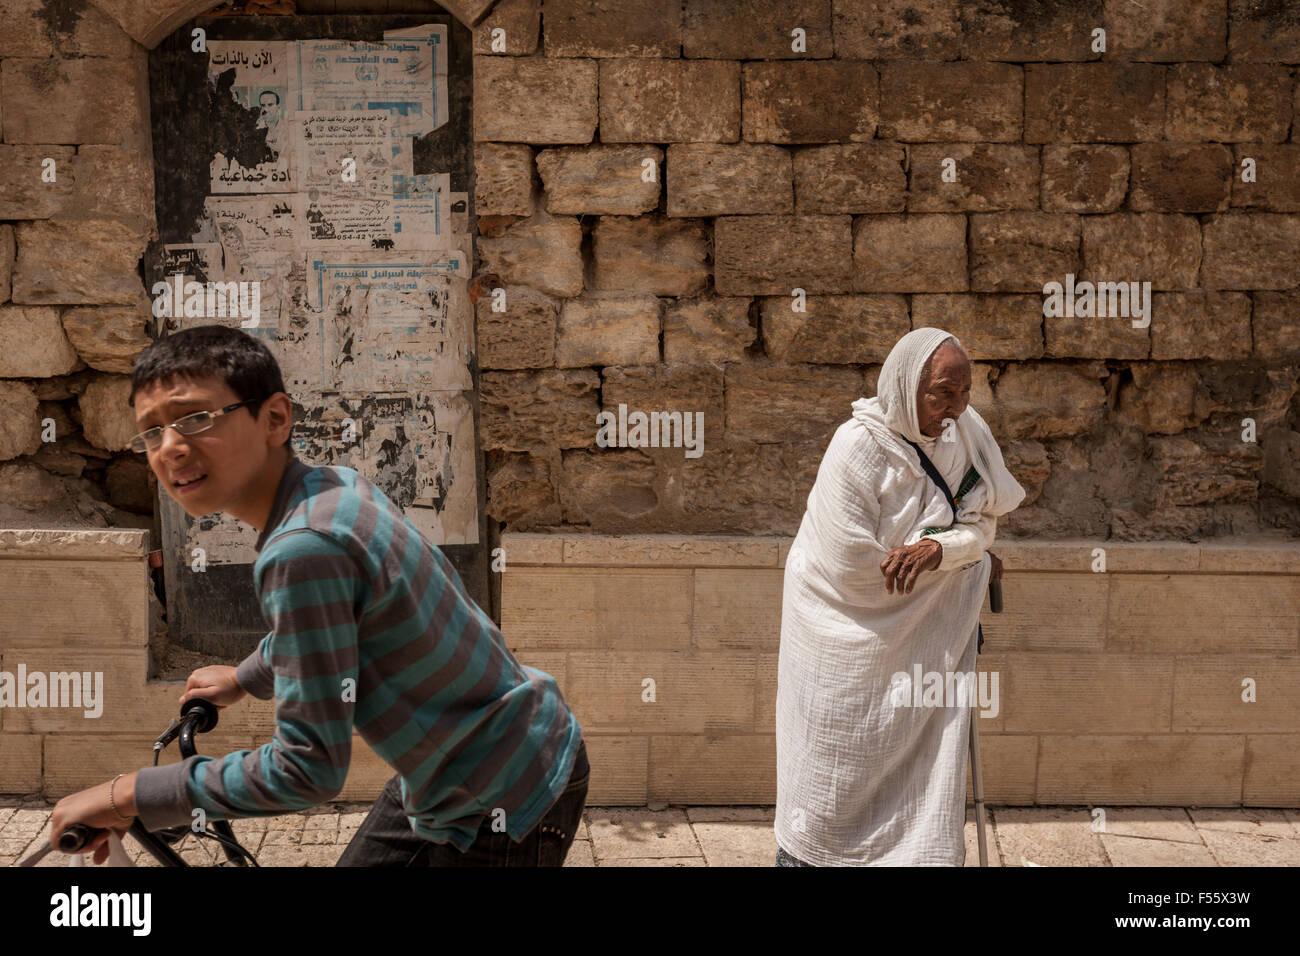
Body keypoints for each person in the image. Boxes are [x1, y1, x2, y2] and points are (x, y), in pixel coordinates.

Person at [47, 324, 588, 866]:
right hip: (493, 749)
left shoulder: (301, 550)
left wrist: (129, 795)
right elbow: (332, 623)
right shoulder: (334, 485)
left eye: (195, 418)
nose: (171, 448)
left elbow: (307, 770)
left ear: (275, 419)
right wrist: (244, 678)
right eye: (151, 432)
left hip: (501, 796)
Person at [774, 327, 1025, 866]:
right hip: (839, 639)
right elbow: (853, 565)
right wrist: (960, 556)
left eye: (964, 393)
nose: (955, 408)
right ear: (906, 386)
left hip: (924, 644)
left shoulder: (968, 437)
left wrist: (943, 551)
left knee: (922, 769)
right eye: (942, 393)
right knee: (832, 771)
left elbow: (980, 527)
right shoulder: (857, 446)